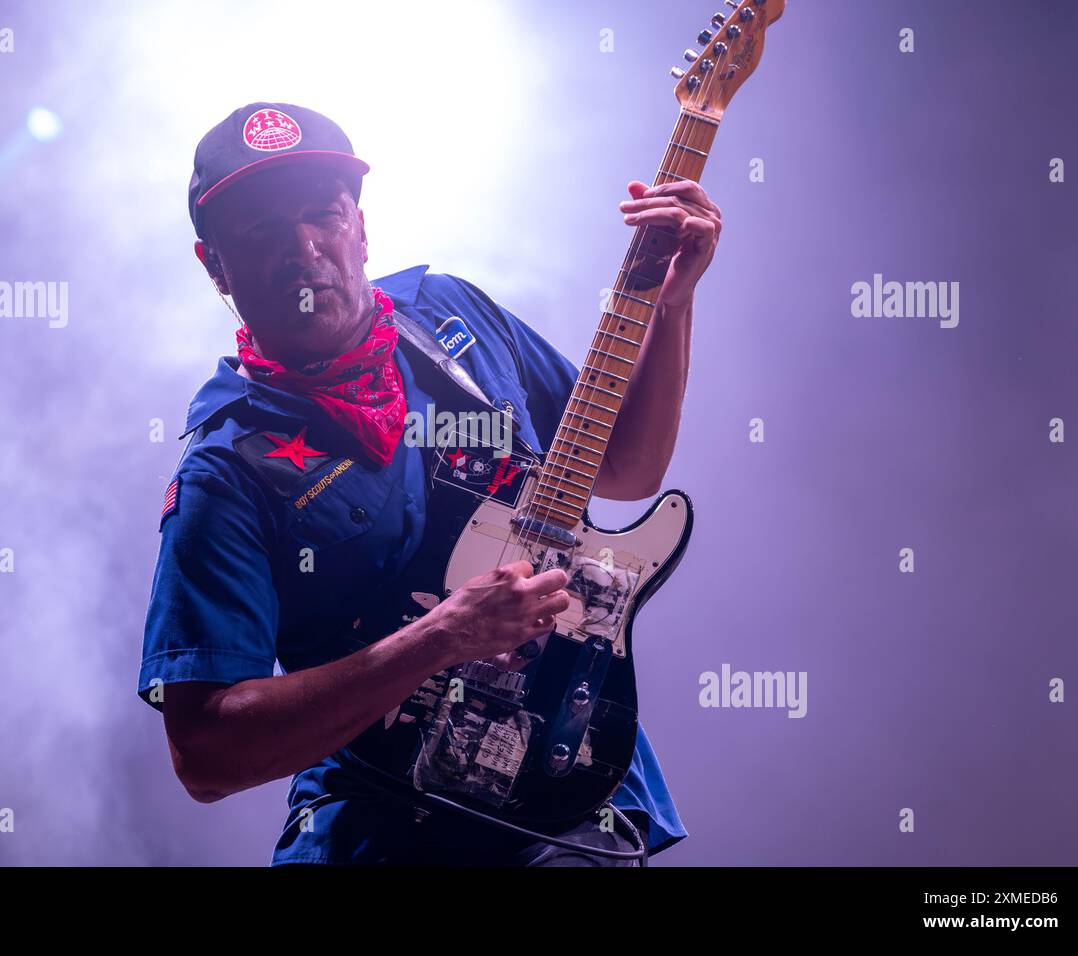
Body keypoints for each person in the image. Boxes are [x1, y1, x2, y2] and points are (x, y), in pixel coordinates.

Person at [137, 102, 721, 865]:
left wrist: (672, 303)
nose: (304, 249)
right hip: (384, 824)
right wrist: (439, 638)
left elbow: (627, 470)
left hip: (571, 785)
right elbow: (206, 755)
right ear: (215, 264)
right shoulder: (225, 471)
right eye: (262, 231)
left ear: (362, 227)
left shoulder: (454, 316)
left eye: (325, 214)